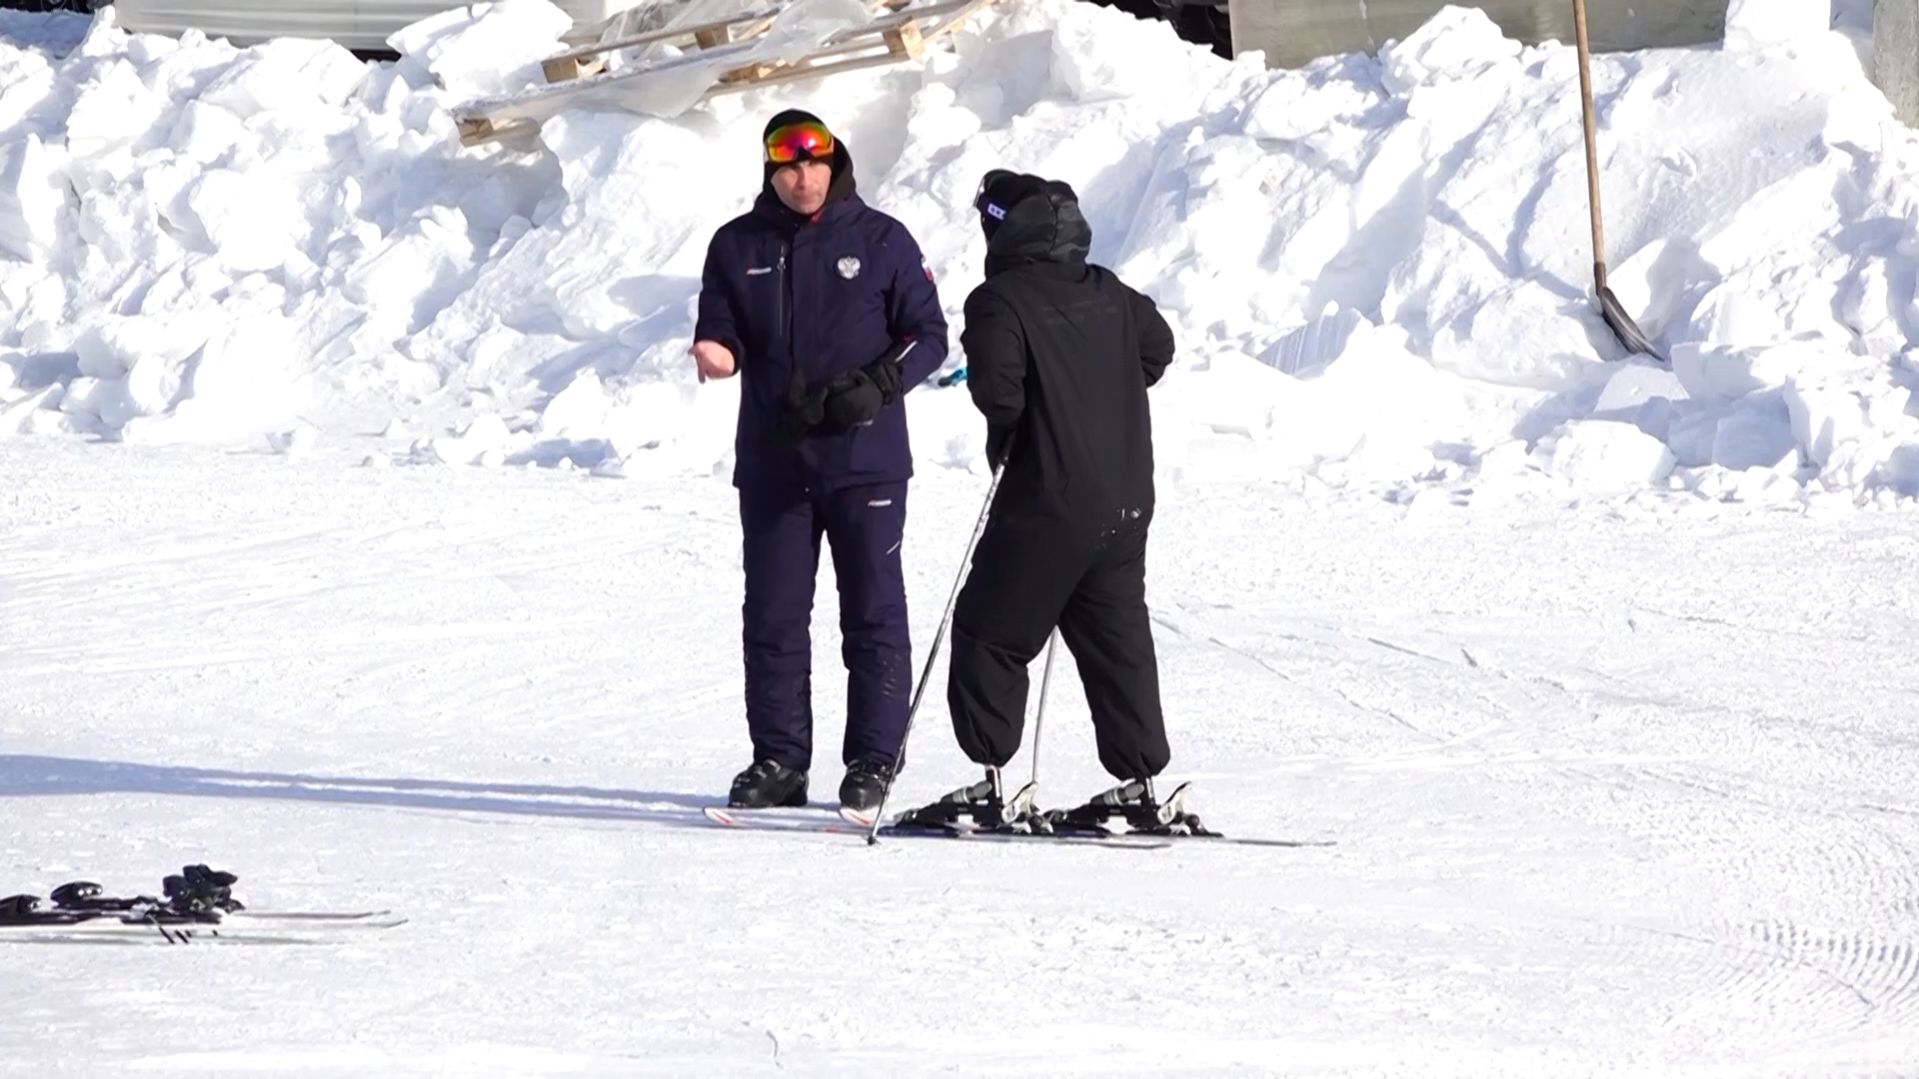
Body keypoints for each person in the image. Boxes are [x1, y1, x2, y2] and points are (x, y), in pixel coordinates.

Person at [691, 110, 948, 812]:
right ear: (771, 172)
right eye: (788, 168)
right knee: (772, 617)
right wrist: (717, 350)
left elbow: (928, 335)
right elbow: (719, 324)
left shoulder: (882, 239)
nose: (802, 179)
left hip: (866, 462)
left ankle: (872, 761)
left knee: (872, 614)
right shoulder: (736, 244)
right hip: (774, 463)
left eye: (814, 165)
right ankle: (778, 760)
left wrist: (880, 384)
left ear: (835, 166)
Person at [939, 169, 1176, 822]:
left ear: (1000, 230)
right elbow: (1158, 348)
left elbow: (1000, 395)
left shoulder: (998, 300)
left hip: (1046, 498)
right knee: (1115, 638)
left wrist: (1042, 403)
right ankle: (1139, 781)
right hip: (1124, 501)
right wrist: (1095, 384)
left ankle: (990, 781)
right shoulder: (1110, 290)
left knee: (990, 633)